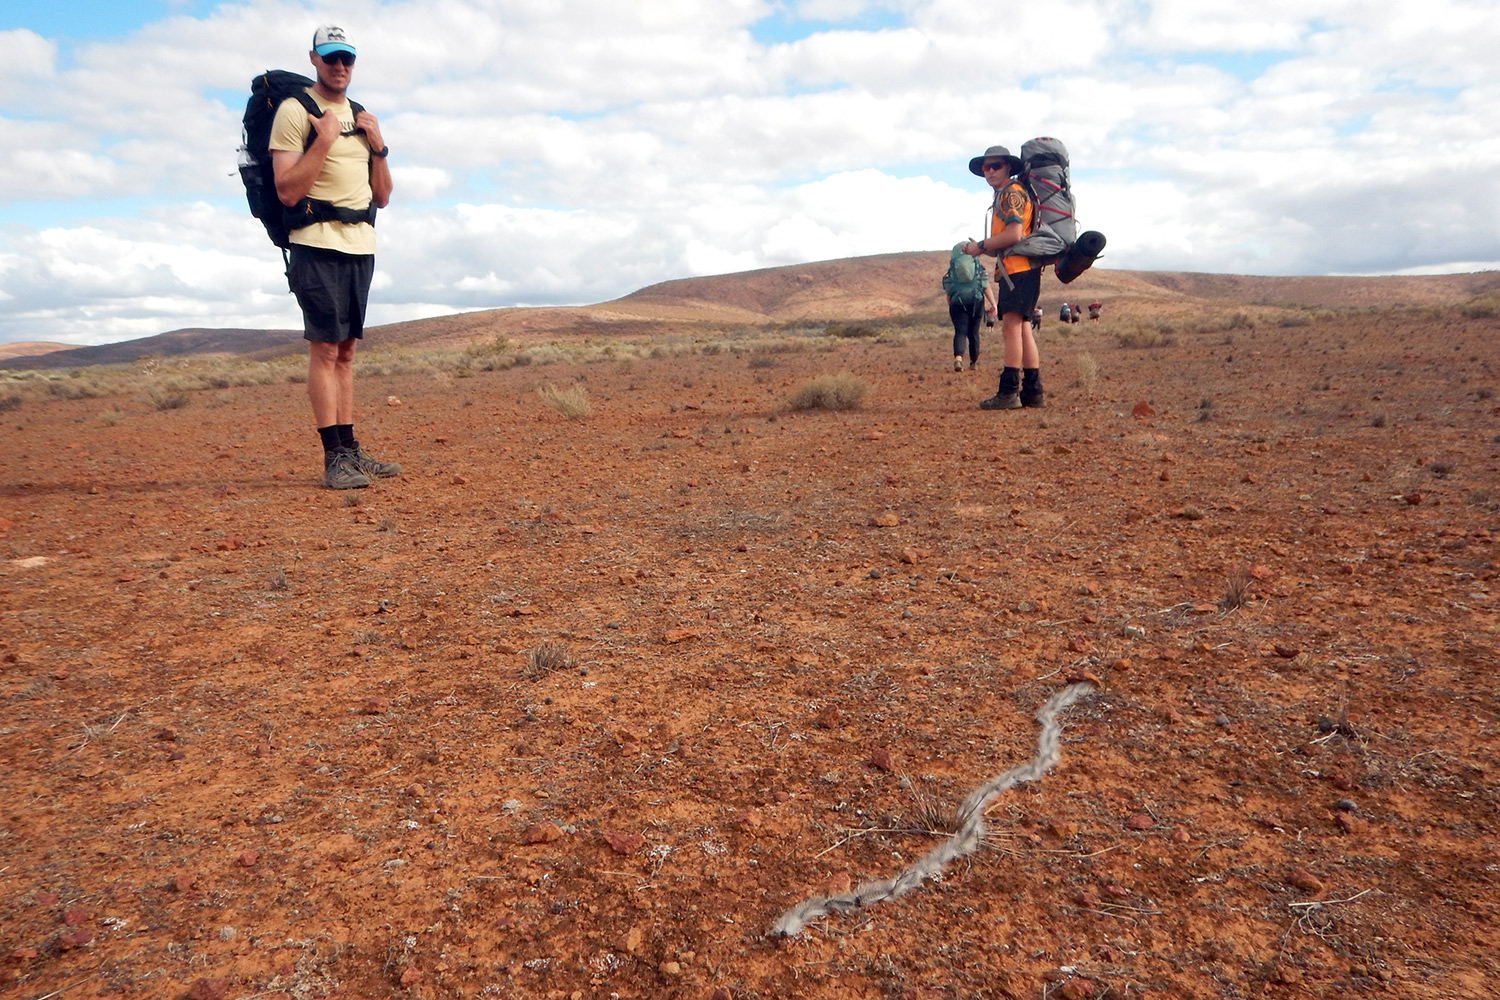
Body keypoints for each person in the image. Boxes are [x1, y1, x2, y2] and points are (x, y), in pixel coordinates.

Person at [270, 25, 398, 489]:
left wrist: (378, 145)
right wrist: (323, 138)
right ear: (313, 59)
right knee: (325, 349)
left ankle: (350, 449)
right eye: (330, 58)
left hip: (361, 243)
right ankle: (333, 460)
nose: (339, 66)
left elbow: (382, 197)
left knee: (346, 352)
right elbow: (286, 191)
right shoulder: (294, 111)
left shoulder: (362, 115)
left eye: (347, 59)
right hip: (316, 241)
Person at [962, 145, 1045, 409]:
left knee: (1011, 327)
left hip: (1018, 270)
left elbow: (1014, 234)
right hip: (1019, 269)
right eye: (986, 167)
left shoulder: (1012, 193)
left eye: (995, 166)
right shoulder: (1009, 193)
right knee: (1022, 327)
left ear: (1008, 167)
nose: (989, 171)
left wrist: (982, 245)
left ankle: (1009, 392)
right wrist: (984, 248)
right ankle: (1033, 392)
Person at [941, 244, 988, 371]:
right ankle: (973, 362)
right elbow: (985, 286)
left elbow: (949, 291)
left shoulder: (952, 270)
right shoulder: (979, 268)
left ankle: (958, 359)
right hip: (976, 301)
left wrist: (951, 306)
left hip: (957, 301)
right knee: (974, 333)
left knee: (960, 331)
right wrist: (993, 305)